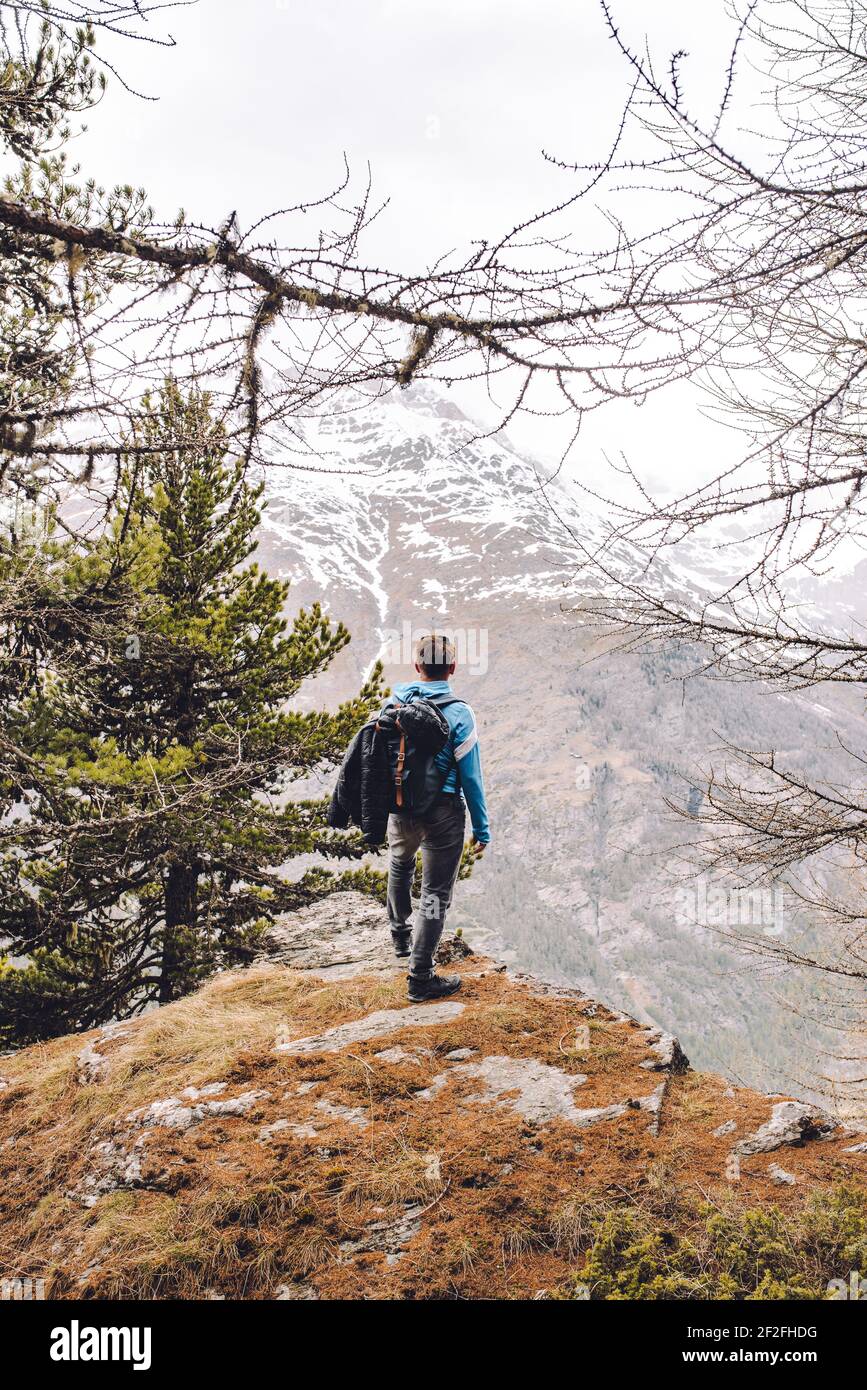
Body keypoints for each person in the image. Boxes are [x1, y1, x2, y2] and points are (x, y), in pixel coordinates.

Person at [386, 633, 490, 1002]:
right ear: (452, 668)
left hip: (401, 804)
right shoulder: (460, 712)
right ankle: (420, 976)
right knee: (434, 894)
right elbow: (471, 776)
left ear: (417, 667)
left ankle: (399, 933)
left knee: (400, 863)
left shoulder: (395, 702)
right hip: (443, 812)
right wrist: (482, 826)